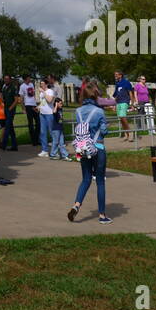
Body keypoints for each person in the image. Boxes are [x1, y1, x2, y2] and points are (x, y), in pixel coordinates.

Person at [67, 80, 111, 223]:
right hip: (98, 148)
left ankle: (76, 205)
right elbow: (103, 131)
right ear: (95, 95)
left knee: (85, 179)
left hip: (83, 148)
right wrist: (106, 126)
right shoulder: (99, 112)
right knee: (100, 182)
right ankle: (102, 215)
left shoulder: (78, 111)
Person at [37, 78, 57, 157]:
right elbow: (43, 102)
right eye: (40, 84)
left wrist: (43, 92)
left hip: (49, 114)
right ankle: (44, 150)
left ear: (46, 84)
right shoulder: (42, 93)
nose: (41, 85)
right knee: (43, 133)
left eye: (42, 84)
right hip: (42, 114)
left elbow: (49, 100)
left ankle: (55, 150)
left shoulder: (50, 91)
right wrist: (38, 107)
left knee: (52, 132)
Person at [0, 74, 19, 151]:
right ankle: (14, 146)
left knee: (7, 127)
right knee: (10, 128)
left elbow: (16, 100)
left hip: (10, 110)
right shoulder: (4, 87)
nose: (6, 80)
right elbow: (2, 97)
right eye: (5, 79)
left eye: (7, 79)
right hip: (5, 109)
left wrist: (10, 108)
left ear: (10, 80)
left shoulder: (13, 88)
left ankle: (3, 144)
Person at [113, 69, 134, 140]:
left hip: (125, 101)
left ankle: (130, 133)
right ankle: (126, 134)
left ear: (120, 75)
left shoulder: (126, 82)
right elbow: (116, 95)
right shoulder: (117, 83)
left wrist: (132, 104)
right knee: (121, 119)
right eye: (114, 75)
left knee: (123, 117)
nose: (115, 76)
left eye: (116, 75)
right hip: (118, 102)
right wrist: (113, 104)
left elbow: (131, 93)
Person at [18, 76, 39, 146]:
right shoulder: (22, 86)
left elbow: (33, 94)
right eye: (28, 78)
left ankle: (36, 138)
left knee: (38, 122)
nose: (30, 79)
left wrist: (36, 103)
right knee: (31, 124)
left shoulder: (31, 84)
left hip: (34, 105)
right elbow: (21, 98)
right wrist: (23, 108)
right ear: (25, 79)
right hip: (28, 106)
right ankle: (34, 141)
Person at [50, 94, 71, 160]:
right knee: (56, 142)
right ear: (56, 103)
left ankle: (65, 155)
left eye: (62, 103)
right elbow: (54, 112)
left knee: (62, 143)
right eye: (60, 103)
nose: (62, 104)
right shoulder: (55, 110)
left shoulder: (60, 109)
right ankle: (53, 154)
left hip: (60, 128)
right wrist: (56, 105)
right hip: (56, 129)